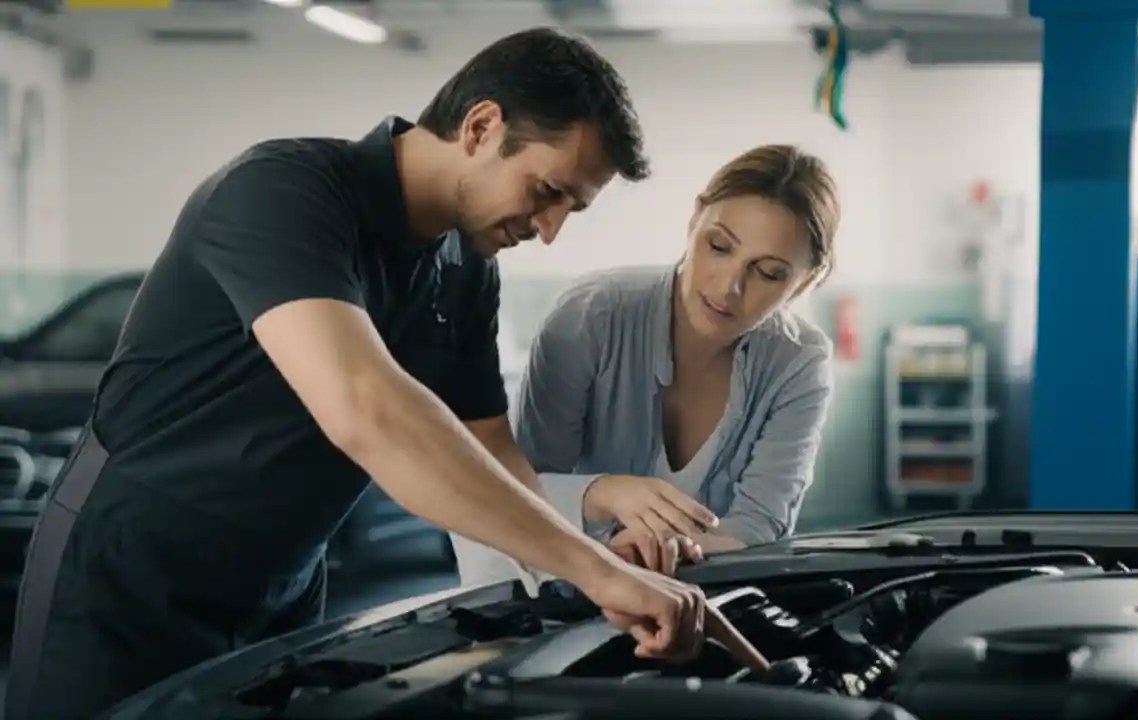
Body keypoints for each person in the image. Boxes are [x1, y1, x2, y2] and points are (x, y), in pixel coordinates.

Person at [7, 28, 709, 720]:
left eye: (572, 210)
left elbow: (492, 453)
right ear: (481, 126)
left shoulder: (466, 270)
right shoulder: (283, 191)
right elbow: (366, 409)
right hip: (126, 577)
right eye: (547, 191)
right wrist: (597, 573)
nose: (550, 229)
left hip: (282, 584)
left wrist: (589, 570)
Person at [451, 144, 838, 586]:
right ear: (695, 219)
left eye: (768, 273)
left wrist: (663, 554)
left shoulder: (799, 363)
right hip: (548, 588)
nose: (729, 286)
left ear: (806, 281)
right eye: (718, 246)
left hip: (693, 597)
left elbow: (759, 528)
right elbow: (518, 491)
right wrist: (603, 494)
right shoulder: (594, 315)